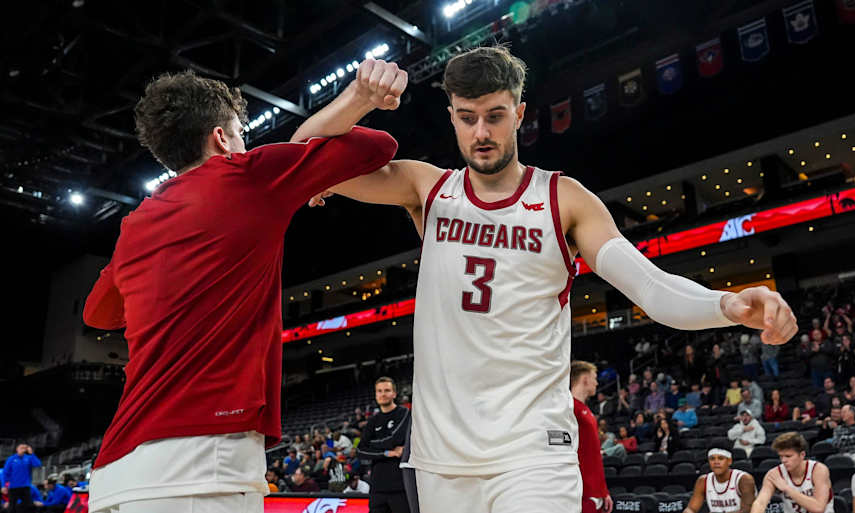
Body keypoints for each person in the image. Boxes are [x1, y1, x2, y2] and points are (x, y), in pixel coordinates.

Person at [309, 45, 798, 512]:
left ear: (520, 114)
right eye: (467, 117)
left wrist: (726, 305)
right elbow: (298, 160)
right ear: (452, 117)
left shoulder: (564, 198)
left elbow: (647, 285)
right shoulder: (426, 187)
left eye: (495, 115)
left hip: (534, 450)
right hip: (441, 457)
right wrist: (359, 99)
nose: (481, 132)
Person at [81, 61, 404, 513]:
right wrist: (359, 100)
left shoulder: (136, 222)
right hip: (200, 465)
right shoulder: (247, 176)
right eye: (240, 134)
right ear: (220, 138)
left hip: (116, 474)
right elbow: (376, 147)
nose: (244, 144)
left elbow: (97, 315)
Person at [358, 377, 411, 513]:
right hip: (377, 487)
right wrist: (388, 453)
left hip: (400, 486)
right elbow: (361, 451)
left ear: (394, 393)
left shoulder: (404, 413)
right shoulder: (372, 421)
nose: (383, 394)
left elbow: (394, 438)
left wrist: (372, 444)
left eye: (387, 390)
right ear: (376, 395)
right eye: (379, 391)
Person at [751, 432, 834, 513]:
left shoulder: (818, 470)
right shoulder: (775, 474)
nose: (783, 460)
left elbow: (818, 508)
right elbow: (760, 503)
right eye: (781, 456)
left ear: (802, 455)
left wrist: (786, 488)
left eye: (788, 456)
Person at [571, 361, 613, 513]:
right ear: (585, 379)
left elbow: (594, 455)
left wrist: (603, 491)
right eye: (594, 378)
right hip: (581, 492)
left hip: (595, 493)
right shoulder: (569, 407)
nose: (596, 382)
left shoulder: (585, 410)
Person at [683, 444, 756, 513]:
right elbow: (691, 508)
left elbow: (747, 510)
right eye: (712, 459)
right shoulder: (703, 480)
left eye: (720, 458)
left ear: (729, 461)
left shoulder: (744, 479)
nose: (716, 462)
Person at [2, 444, 40, 513]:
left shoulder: (29, 458)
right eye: (21, 447)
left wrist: (32, 453)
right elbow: (6, 472)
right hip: (13, 486)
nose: (23, 449)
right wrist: (4, 485)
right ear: (17, 449)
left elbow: (37, 464)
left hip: (25, 486)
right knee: (12, 507)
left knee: (29, 506)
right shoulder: (11, 459)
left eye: (25, 448)